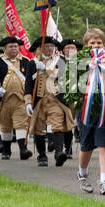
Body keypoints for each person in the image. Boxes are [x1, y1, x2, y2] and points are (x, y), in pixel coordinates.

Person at [76, 27, 105, 195]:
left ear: (104, 44)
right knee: (87, 146)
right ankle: (82, 173)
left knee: (104, 145)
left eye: (99, 43)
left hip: (104, 109)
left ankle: (104, 180)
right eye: (92, 43)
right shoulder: (78, 61)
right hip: (86, 109)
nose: (96, 46)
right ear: (86, 45)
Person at [0, 36, 37, 160]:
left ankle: (23, 149)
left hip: (21, 100)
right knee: (5, 126)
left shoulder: (26, 61)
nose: (14, 49)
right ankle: (6, 150)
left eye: (16, 46)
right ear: (5, 48)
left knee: (21, 124)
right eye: (11, 46)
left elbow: (32, 80)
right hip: (4, 100)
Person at [29, 36, 69, 167]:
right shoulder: (32, 63)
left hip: (55, 99)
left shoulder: (60, 60)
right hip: (39, 101)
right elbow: (28, 84)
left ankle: (59, 153)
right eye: (46, 46)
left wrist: (46, 69)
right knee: (39, 129)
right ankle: (42, 155)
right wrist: (28, 102)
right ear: (40, 49)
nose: (49, 48)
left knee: (58, 125)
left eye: (51, 46)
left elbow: (63, 74)